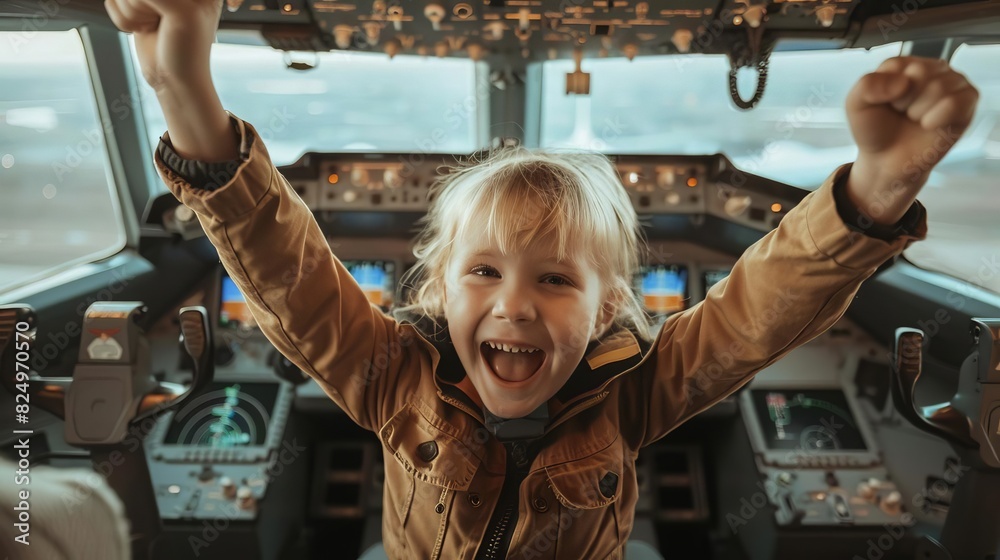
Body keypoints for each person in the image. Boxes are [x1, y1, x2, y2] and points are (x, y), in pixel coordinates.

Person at [105, 0, 978, 558]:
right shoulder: (390, 378)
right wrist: (188, 94)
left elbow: (755, 312)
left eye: (556, 279)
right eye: (481, 270)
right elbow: (284, 267)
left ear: (610, 309)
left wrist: (875, 191)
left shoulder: (638, 391)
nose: (514, 304)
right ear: (437, 292)